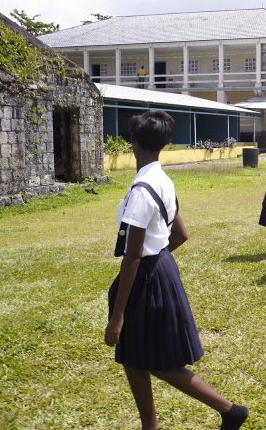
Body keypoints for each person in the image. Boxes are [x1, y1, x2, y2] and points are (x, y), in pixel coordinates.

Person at [106, 110, 248, 430]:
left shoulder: (143, 188)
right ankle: (150, 425)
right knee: (133, 353)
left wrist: (117, 316)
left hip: (145, 276)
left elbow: (132, 257)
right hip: (160, 270)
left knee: (156, 360)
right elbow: (180, 234)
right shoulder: (161, 178)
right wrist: (158, 258)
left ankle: (229, 410)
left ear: (133, 143)